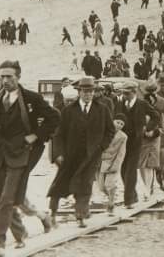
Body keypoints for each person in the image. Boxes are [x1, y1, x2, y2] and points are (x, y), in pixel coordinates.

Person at [0, 60, 60, 257]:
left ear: (18, 76)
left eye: (9, 76)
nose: (5, 80)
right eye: (2, 77)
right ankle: (21, 232)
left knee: (7, 198)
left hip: (21, 154)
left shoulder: (32, 99)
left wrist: (36, 135)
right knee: (3, 198)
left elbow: (54, 118)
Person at [47, 77, 115, 228]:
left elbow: (110, 131)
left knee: (86, 184)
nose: (88, 94)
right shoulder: (68, 111)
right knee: (60, 183)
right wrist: (58, 153)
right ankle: (52, 212)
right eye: (84, 91)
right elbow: (59, 134)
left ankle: (80, 216)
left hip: (91, 155)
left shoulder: (102, 109)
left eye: (90, 91)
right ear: (79, 92)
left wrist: (101, 147)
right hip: (70, 155)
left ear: (94, 92)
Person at [115, 80, 156, 208]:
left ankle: (129, 201)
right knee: (122, 169)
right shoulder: (120, 104)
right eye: (123, 93)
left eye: (127, 93)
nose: (125, 96)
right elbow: (114, 117)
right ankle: (133, 195)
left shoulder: (142, 104)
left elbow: (156, 116)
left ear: (134, 92)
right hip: (122, 141)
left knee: (131, 170)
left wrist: (147, 128)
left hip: (136, 141)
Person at [98, 114, 128, 215]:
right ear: (112, 121)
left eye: (121, 124)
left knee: (110, 184)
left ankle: (111, 204)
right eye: (117, 122)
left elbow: (121, 153)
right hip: (101, 162)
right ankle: (112, 197)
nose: (119, 125)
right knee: (101, 187)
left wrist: (116, 165)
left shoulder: (123, 137)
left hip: (113, 162)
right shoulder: (103, 131)